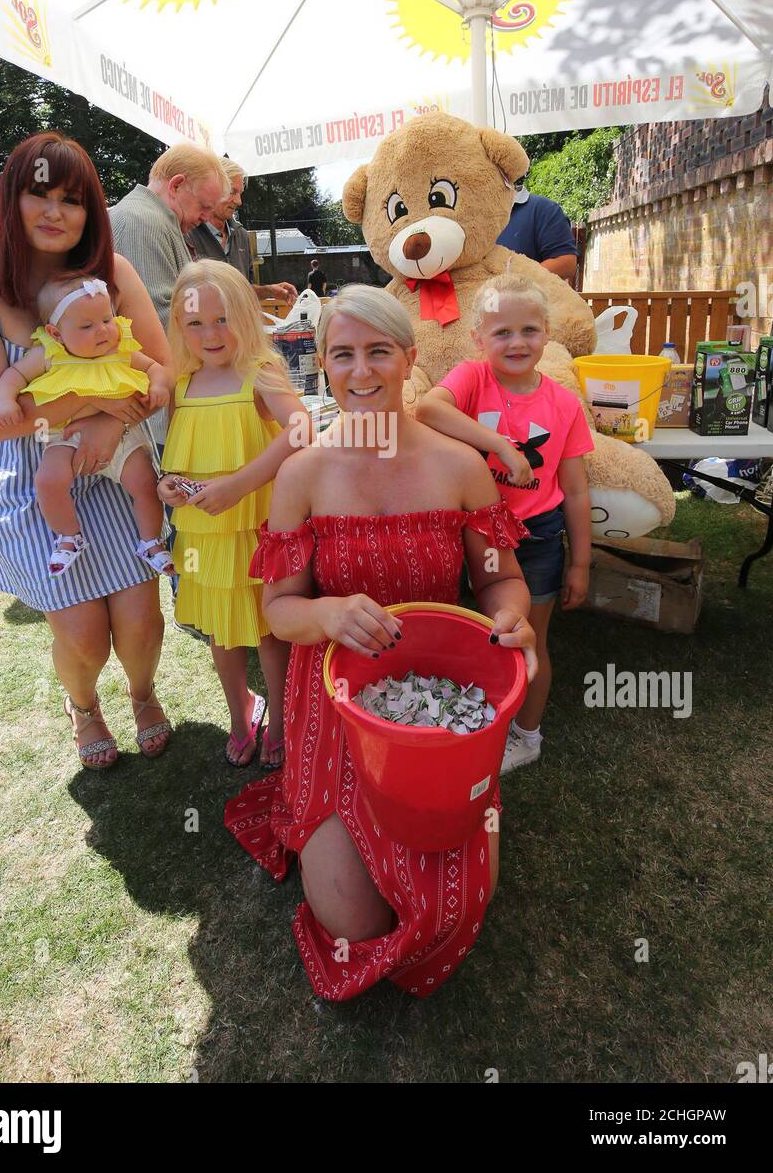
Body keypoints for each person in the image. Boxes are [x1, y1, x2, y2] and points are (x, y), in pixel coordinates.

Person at [225, 285, 536, 1001]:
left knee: (457, 905)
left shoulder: (459, 465)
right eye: (342, 355)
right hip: (333, 696)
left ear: (409, 359)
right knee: (355, 923)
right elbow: (279, 612)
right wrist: (329, 614)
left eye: (378, 352)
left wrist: (512, 617)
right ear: (323, 366)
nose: (360, 371)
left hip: (432, 693)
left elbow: (499, 581)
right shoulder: (301, 474)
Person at [0, 132, 174, 769]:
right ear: (10, 200)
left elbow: (164, 370)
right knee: (83, 633)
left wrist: (108, 427)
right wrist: (95, 408)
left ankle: (144, 692)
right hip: (30, 480)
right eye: (37, 194)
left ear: (90, 212)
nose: (54, 212)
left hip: (114, 466)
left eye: (71, 200)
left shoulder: (114, 275)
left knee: (139, 620)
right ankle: (84, 705)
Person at [417, 274, 593, 775]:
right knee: (459, 628)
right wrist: (497, 445)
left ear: (548, 332)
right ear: (478, 339)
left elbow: (576, 489)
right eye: (502, 333)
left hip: (535, 537)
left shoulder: (564, 404)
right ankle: (455, 711)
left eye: (529, 330)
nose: (517, 342)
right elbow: (428, 408)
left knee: (527, 637)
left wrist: (580, 562)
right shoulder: (473, 378)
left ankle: (527, 734)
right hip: (466, 531)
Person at [158, 260, 309, 768]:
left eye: (222, 319)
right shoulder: (182, 383)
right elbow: (180, 452)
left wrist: (240, 484)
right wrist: (169, 484)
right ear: (179, 327)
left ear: (246, 315)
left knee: (267, 628)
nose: (210, 334)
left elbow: (301, 429)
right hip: (204, 533)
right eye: (195, 323)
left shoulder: (258, 373)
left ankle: (285, 720)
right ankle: (239, 713)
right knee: (221, 631)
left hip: (257, 525)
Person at [0, 275, 174, 578]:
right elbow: (13, 376)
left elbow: (155, 367)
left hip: (124, 436)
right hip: (66, 434)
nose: (103, 330)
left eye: (107, 319)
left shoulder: (121, 349)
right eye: (86, 326)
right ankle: (68, 536)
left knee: (145, 484)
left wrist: (157, 385)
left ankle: (151, 542)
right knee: (48, 480)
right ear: (57, 333)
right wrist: (5, 402)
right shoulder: (51, 354)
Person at [109, 144, 229, 446]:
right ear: (176, 185)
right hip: (155, 419)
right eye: (203, 206)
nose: (205, 218)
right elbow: (158, 330)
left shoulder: (153, 219)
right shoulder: (142, 223)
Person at [186, 160, 296, 308]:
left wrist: (269, 291)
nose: (239, 201)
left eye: (240, 193)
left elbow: (244, 290)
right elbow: (184, 298)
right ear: (210, 189)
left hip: (239, 329)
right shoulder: (187, 234)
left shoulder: (242, 236)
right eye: (232, 191)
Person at [497, 176, 579, 282]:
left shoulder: (544, 209)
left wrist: (516, 280)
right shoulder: (472, 213)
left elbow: (566, 263)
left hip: (527, 296)